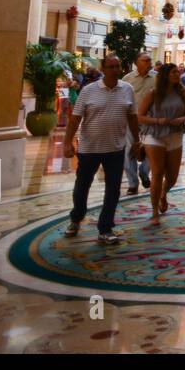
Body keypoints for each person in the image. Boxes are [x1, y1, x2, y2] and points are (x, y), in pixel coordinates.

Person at [64, 53, 139, 244]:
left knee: (113, 189)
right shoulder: (88, 91)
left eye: (117, 66)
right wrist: (67, 142)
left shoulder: (127, 89)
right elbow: (75, 118)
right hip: (89, 149)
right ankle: (76, 217)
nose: (115, 70)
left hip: (115, 148)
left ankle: (105, 228)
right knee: (82, 187)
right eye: (111, 67)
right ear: (103, 69)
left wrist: (137, 141)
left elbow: (132, 117)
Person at [137, 63, 185, 222]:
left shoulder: (184, 93)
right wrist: (158, 120)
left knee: (172, 177)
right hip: (154, 134)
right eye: (174, 72)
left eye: (178, 72)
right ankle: (154, 211)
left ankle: (163, 194)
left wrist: (180, 119)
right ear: (165, 75)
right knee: (158, 172)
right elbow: (140, 116)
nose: (177, 74)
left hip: (175, 135)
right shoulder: (153, 93)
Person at [121, 52, 155, 194]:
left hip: (151, 119)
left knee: (152, 147)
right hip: (131, 119)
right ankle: (133, 183)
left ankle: (144, 171)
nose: (149, 62)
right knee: (129, 150)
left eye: (149, 60)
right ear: (136, 63)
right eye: (145, 60)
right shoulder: (127, 79)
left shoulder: (157, 78)